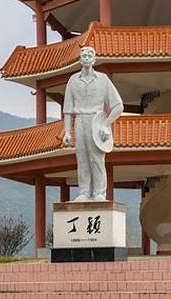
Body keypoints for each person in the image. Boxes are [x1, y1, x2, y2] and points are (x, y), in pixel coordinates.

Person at [62, 46, 124, 202]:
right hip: (80, 120)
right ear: (80, 58)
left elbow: (118, 106)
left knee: (96, 158)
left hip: (96, 121)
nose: (87, 56)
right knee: (82, 158)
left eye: (91, 54)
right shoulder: (73, 80)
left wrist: (106, 124)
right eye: (84, 54)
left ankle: (99, 192)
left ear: (95, 59)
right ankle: (84, 191)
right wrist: (67, 131)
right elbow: (68, 109)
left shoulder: (103, 80)